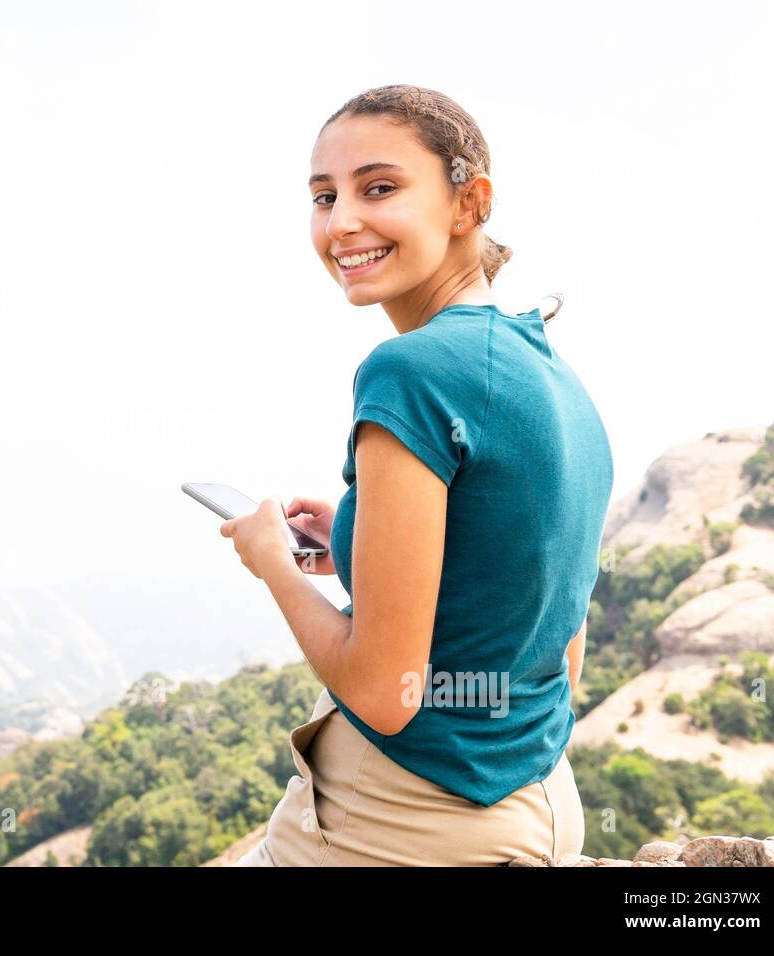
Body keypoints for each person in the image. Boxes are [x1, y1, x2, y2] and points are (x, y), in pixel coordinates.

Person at [218, 84, 613, 866]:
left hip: (395, 825)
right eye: (324, 196)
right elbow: (556, 648)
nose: (341, 223)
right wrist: (360, 540)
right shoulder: (558, 382)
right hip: (539, 810)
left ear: (469, 204)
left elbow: (384, 695)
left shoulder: (410, 370)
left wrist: (274, 565)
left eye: (380, 188)